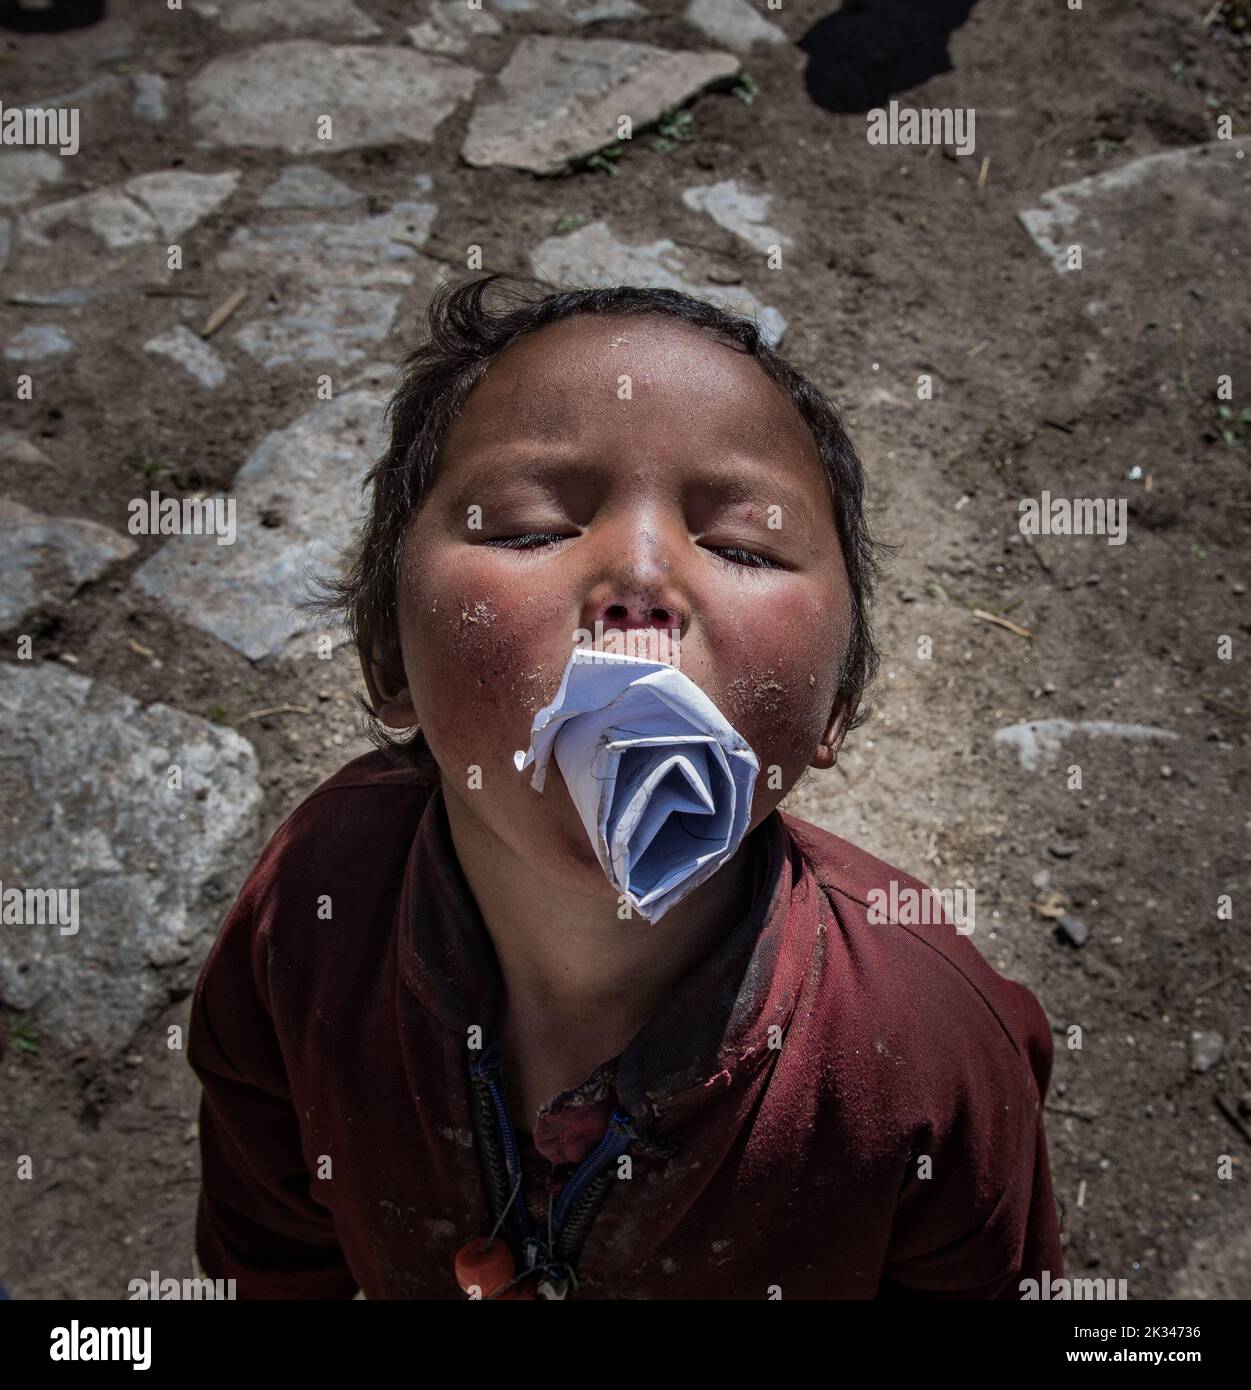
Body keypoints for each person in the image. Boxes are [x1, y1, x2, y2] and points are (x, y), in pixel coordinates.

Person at [187, 272, 1063, 1299]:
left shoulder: (924, 1042)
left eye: (743, 544)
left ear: (834, 704)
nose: (642, 577)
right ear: (388, 652)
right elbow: (275, 1254)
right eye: (527, 527)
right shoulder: (311, 908)